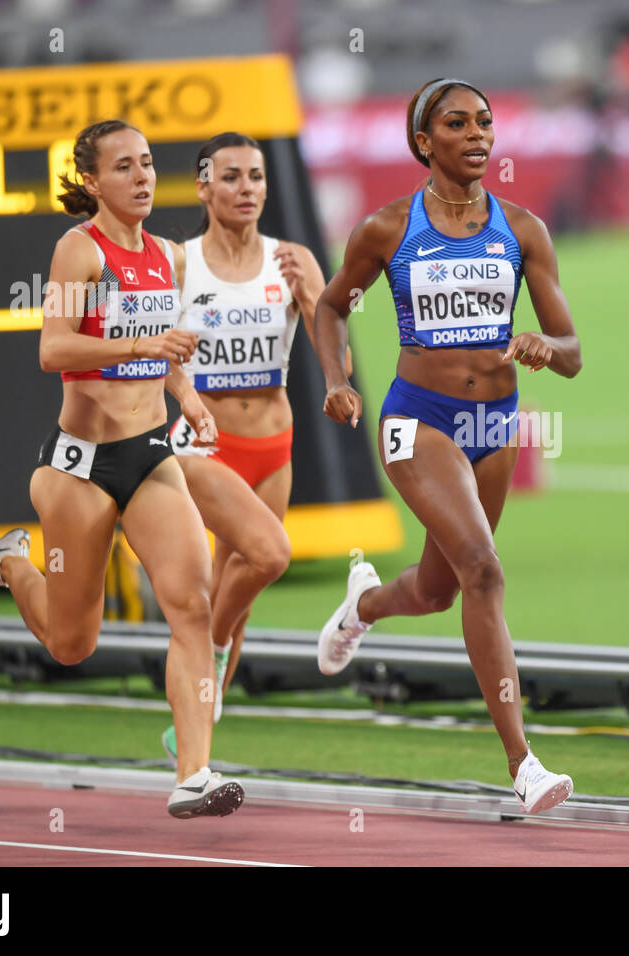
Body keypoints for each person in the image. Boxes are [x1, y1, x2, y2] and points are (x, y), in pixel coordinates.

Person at [311, 79, 583, 814]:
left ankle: (363, 605)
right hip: (417, 419)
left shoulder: (522, 230)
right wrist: (337, 379)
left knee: (436, 591)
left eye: (486, 123)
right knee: (484, 574)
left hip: (493, 424)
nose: (478, 135)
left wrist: (544, 345)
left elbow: (573, 350)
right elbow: (331, 306)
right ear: (424, 144)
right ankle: (523, 763)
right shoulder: (388, 229)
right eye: (457, 124)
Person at [0, 120, 242, 818]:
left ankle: (193, 774)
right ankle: (7, 563)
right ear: (92, 181)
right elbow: (52, 349)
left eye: (148, 163)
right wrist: (143, 338)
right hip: (80, 468)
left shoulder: (171, 257)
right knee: (69, 643)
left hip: (150, 456)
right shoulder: (77, 251)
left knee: (193, 606)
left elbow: (170, 353)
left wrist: (190, 398)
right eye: (124, 167)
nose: (143, 177)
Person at [159, 131, 328, 763]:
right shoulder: (180, 262)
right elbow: (155, 349)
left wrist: (310, 295)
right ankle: (215, 649)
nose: (246, 189)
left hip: (273, 447)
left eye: (255, 177)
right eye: (230, 177)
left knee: (243, 580)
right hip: (204, 445)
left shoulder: (293, 258)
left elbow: (328, 341)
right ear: (203, 186)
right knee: (266, 558)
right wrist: (187, 397)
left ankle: (194, 744)